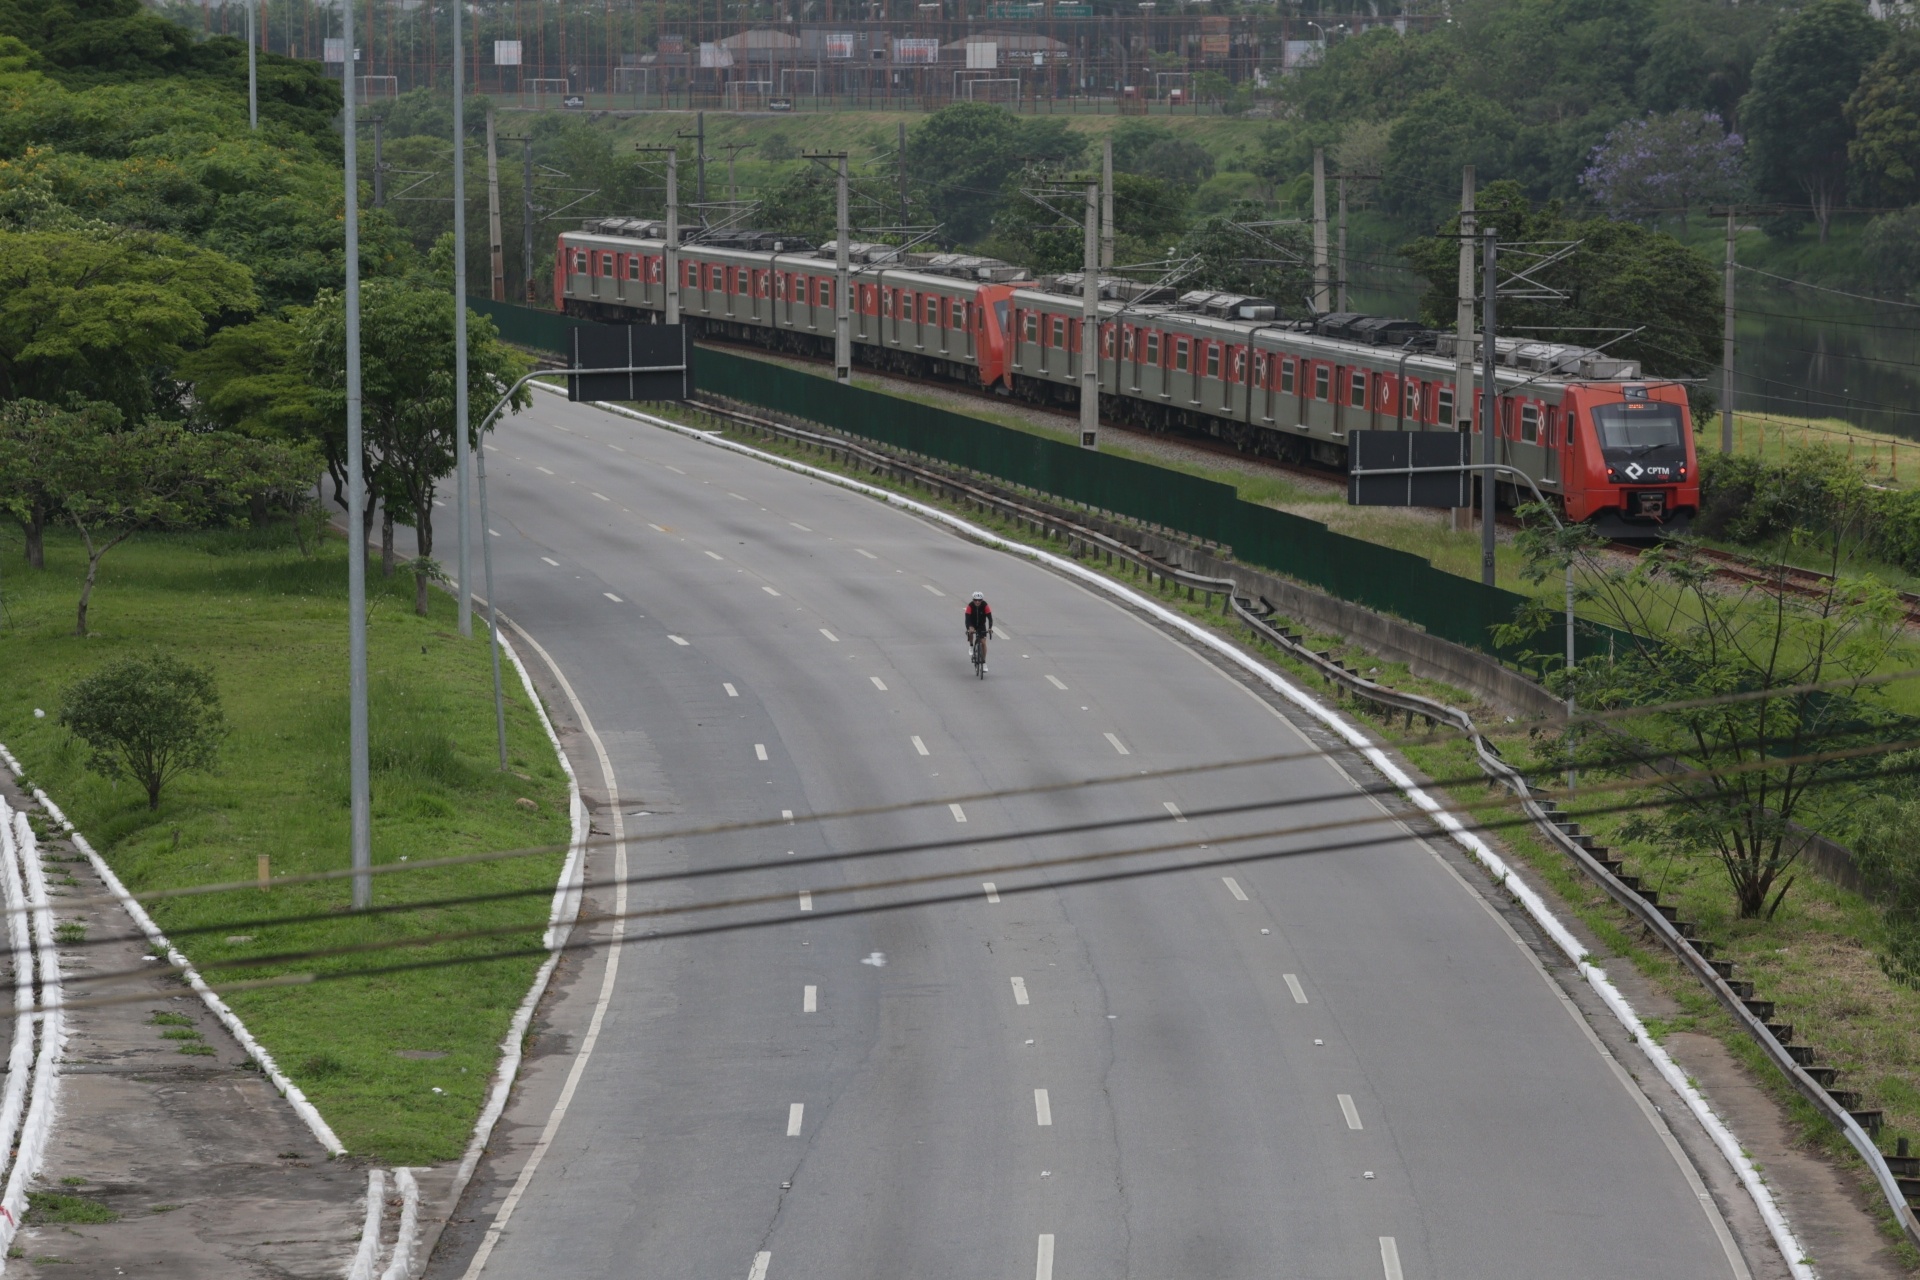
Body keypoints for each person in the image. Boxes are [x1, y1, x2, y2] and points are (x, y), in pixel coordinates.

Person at [963, 591, 992, 671]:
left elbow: (990, 618)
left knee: (983, 643)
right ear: (973, 600)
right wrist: (969, 628)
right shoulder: (970, 606)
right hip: (972, 623)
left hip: (981, 625)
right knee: (971, 632)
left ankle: (984, 662)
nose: (977, 602)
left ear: (982, 600)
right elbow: (967, 619)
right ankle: (971, 646)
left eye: (979, 600)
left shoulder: (985, 605)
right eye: (975, 600)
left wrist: (990, 628)